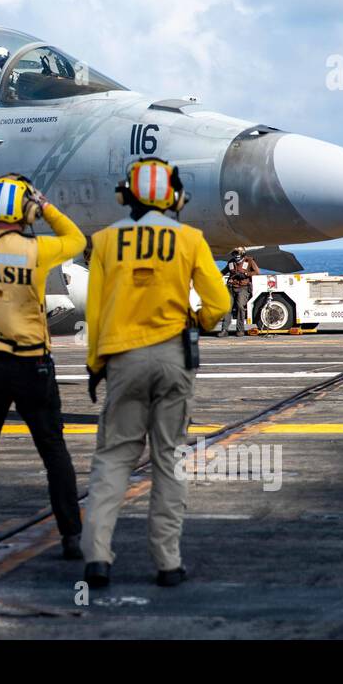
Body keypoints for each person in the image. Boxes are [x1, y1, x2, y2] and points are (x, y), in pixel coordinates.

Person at [81, 158, 230, 588]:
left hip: (123, 360)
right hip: (173, 357)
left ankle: (97, 560)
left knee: (112, 459)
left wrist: (95, 366)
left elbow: (96, 312)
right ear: (174, 197)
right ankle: (167, 563)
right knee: (169, 458)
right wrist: (199, 323)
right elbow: (218, 303)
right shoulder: (190, 238)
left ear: (125, 195)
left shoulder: (105, 241)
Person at [0, 174, 87, 567]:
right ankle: (71, 537)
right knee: (54, 453)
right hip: (32, 365)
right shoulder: (35, 249)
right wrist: (44, 206)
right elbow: (76, 239)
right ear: (24, 211)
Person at [221, 246, 261, 336]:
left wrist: (246, 274)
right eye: (235, 254)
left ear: (242, 254)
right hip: (231, 287)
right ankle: (224, 330)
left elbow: (257, 272)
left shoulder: (249, 261)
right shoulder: (231, 262)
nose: (236, 257)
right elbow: (223, 271)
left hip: (243, 287)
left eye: (238, 254)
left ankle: (240, 330)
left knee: (240, 306)